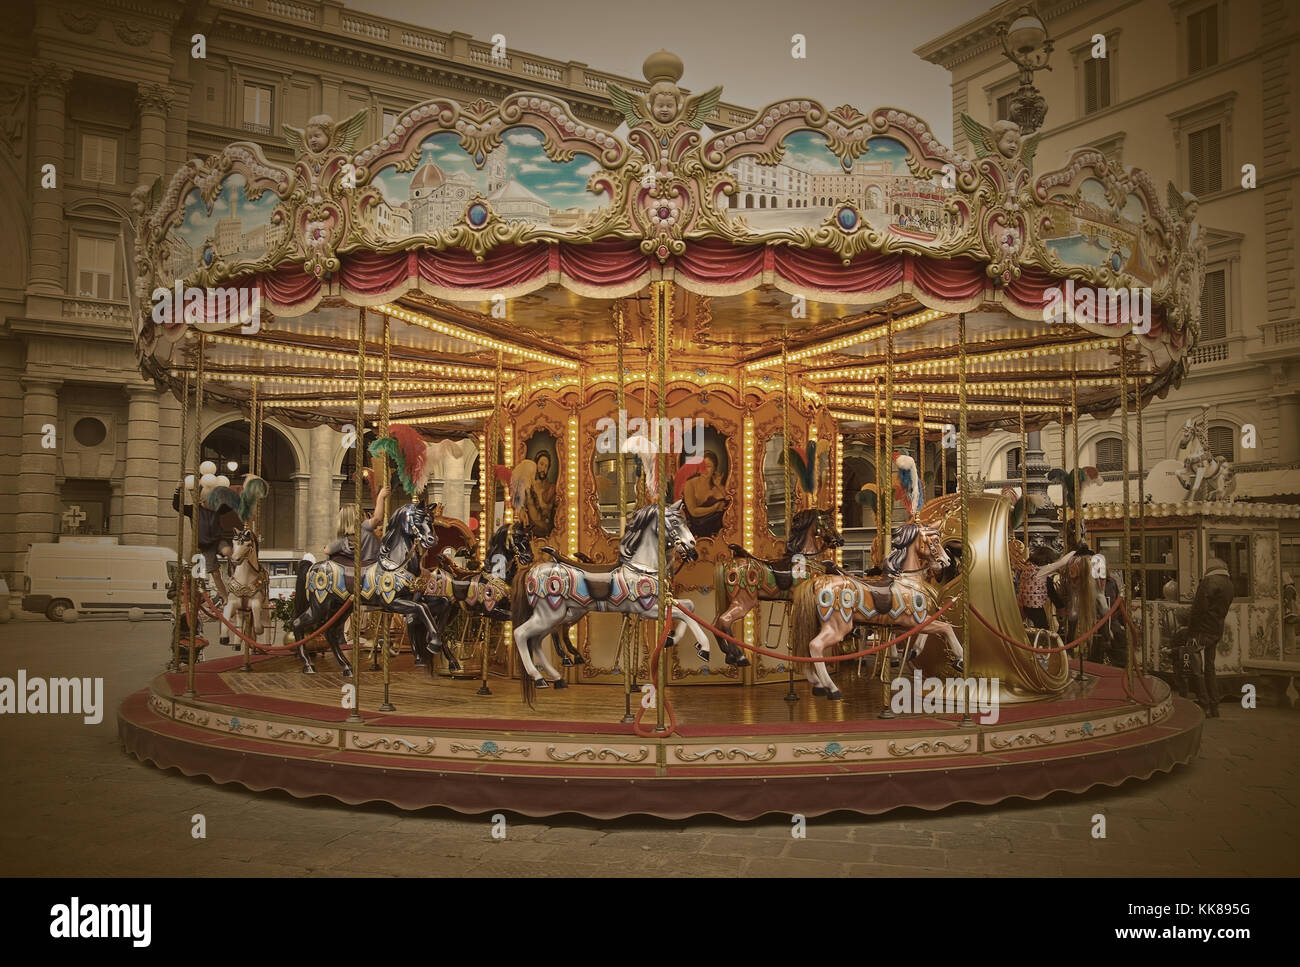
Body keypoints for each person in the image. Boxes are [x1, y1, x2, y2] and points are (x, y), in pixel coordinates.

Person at [1185, 556, 1234, 717]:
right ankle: (1214, 705)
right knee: (1210, 667)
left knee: (1196, 668)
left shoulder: (1208, 582)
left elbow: (1198, 609)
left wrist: (1191, 632)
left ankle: (1204, 703)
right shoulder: (1228, 584)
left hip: (1201, 631)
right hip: (1216, 630)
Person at [325, 485, 390, 567]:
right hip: (375, 565)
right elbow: (377, 518)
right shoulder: (363, 527)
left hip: (361, 567)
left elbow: (327, 550)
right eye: (361, 514)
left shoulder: (343, 541)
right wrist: (380, 497)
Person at [1017, 544, 1076, 630]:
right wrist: (1074, 552)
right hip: (1035, 606)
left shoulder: (1028, 567)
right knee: (1044, 629)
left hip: (1025, 605)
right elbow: (1062, 562)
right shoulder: (1042, 569)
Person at [682, 450, 729, 537]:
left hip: (719, 534)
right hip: (697, 533)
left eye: (708, 466)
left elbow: (730, 506)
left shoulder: (718, 486)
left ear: (714, 468)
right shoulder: (690, 484)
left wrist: (719, 486)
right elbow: (693, 512)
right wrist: (714, 508)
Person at [525, 451, 557, 538]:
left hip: (545, 530)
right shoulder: (529, 486)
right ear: (536, 465)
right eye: (541, 464)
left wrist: (538, 494)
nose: (543, 469)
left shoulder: (551, 488)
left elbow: (546, 511)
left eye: (546, 466)